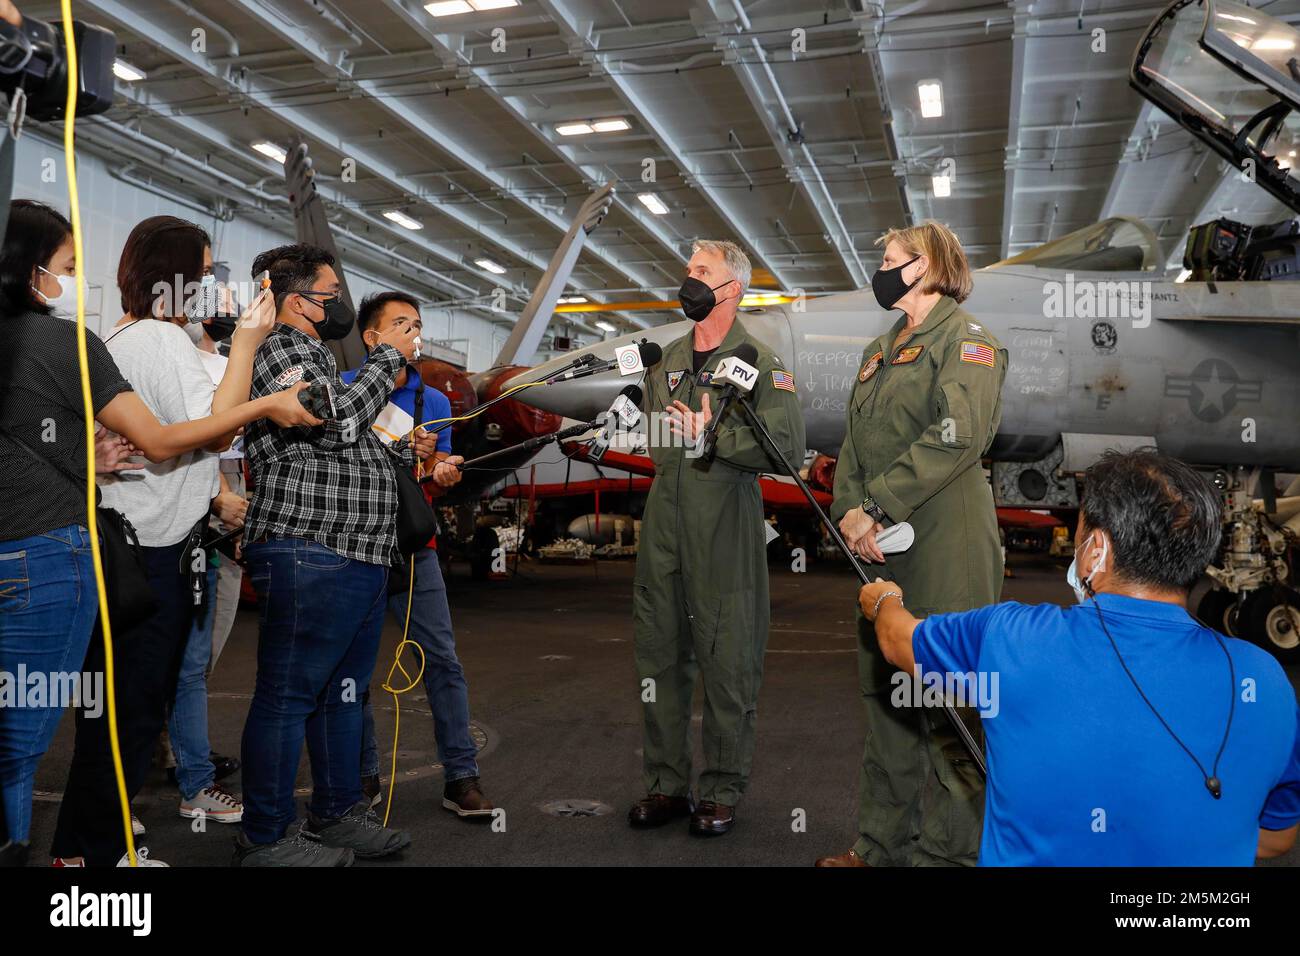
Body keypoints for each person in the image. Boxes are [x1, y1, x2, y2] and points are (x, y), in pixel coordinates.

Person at [0, 201, 317, 867]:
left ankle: (93, 845)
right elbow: (210, 428)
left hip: (136, 545)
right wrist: (253, 355)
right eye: (203, 272)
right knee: (124, 715)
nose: (212, 284)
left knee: (117, 712)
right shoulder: (154, 340)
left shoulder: (135, 340)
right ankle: (87, 852)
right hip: (144, 553)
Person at [859, 449, 1300, 865]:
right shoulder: (1265, 679)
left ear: (1097, 551)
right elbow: (1278, 837)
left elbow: (898, 641)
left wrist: (883, 598)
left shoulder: (1011, 637)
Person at [234, 245, 433, 867]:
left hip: (354, 555)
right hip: (310, 550)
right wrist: (384, 361)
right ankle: (266, 836)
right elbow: (338, 423)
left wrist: (411, 450)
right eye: (331, 293)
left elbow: (353, 445)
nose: (339, 304)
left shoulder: (318, 355)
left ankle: (337, 813)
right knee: (289, 695)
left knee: (344, 692)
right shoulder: (280, 351)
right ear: (300, 300)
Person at [819, 221, 1007, 868]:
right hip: (879, 549)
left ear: (925, 266)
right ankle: (878, 846)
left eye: (892, 258)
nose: (882, 269)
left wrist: (875, 508)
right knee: (888, 702)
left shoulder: (967, 342)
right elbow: (853, 444)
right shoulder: (880, 349)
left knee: (950, 707)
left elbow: (959, 436)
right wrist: (849, 513)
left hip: (945, 548)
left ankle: (950, 854)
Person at [627, 239, 805, 837]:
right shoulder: (667, 360)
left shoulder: (761, 361)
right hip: (663, 528)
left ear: (732, 288)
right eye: (688, 270)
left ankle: (722, 790)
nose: (689, 280)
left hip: (726, 523)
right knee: (658, 658)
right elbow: (658, 443)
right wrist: (624, 429)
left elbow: (789, 451)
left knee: (728, 662)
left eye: (702, 271)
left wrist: (717, 439)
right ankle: (665, 785)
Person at [341, 291, 493, 818]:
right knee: (351, 671)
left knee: (443, 662)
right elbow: (342, 468)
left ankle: (461, 776)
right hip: (355, 548)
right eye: (400, 324)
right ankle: (360, 777)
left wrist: (441, 471)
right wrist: (404, 450)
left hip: (414, 550)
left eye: (417, 324)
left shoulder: (435, 403)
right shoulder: (344, 392)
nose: (414, 333)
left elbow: (431, 480)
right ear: (371, 337)